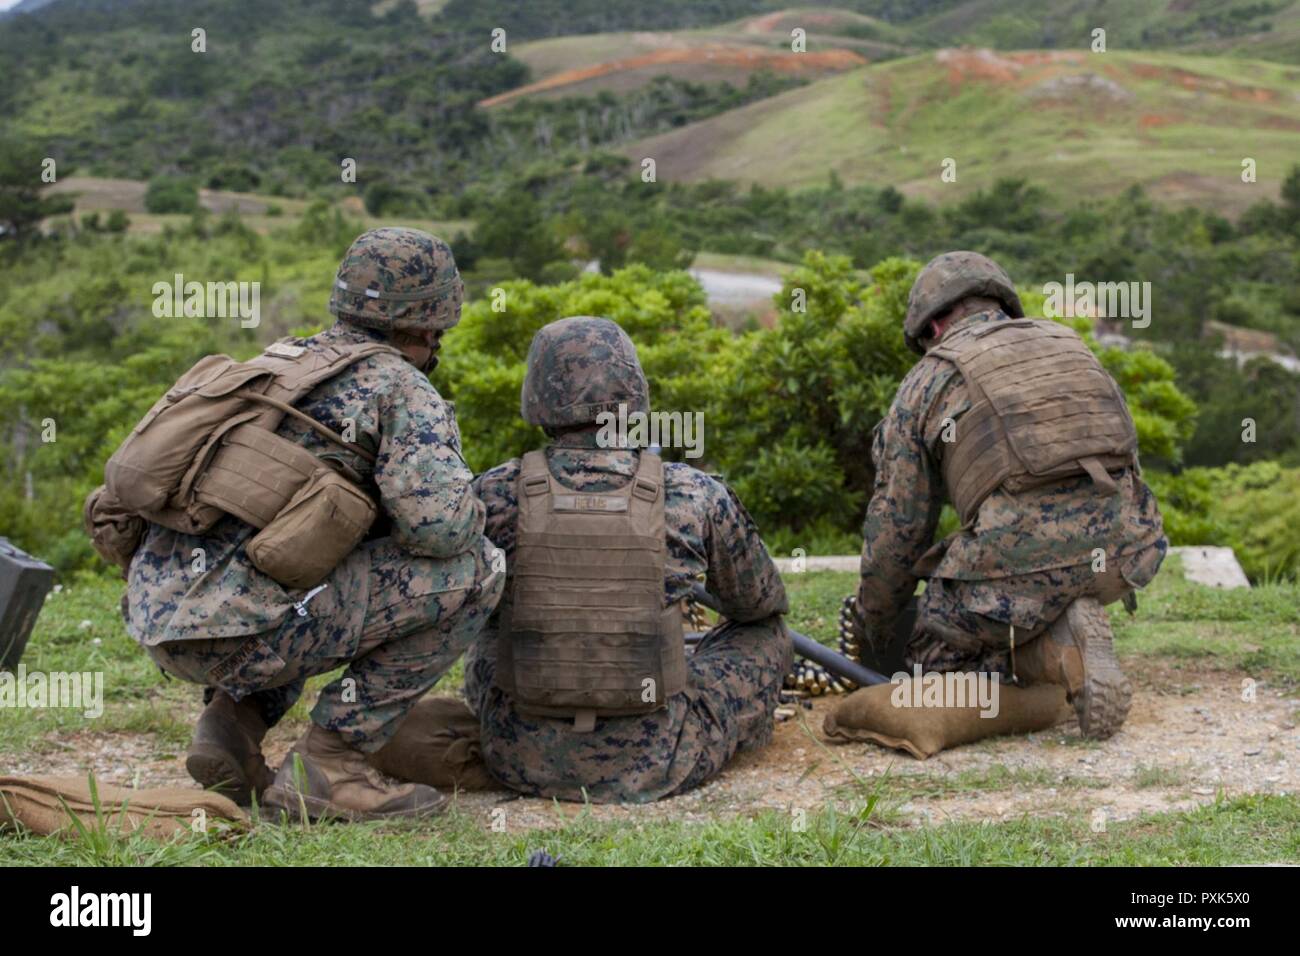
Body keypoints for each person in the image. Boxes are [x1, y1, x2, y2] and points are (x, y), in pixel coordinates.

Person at [121, 227, 503, 819]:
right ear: (432, 325)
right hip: (241, 632)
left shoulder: (280, 360)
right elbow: (440, 530)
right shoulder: (399, 386)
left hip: (162, 617)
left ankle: (230, 728)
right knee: (477, 568)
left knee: (304, 564)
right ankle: (333, 763)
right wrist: (479, 501)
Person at [463, 316, 791, 802]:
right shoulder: (693, 492)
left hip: (519, 757)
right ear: (634, 392)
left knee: (491, 626)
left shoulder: (493, 491)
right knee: (768, 634)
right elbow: (759, 605)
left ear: (537, 395)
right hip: (661, 757)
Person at [852, 251, 1167, 739]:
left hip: (1023, 567)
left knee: (930, 661)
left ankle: (1052, 655)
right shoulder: (1069, 344)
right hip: (1131, 551)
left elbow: (898, 529)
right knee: (1031, 581)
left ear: (932, 327)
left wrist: (877, 626)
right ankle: (1064, 614)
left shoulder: (928, 379)